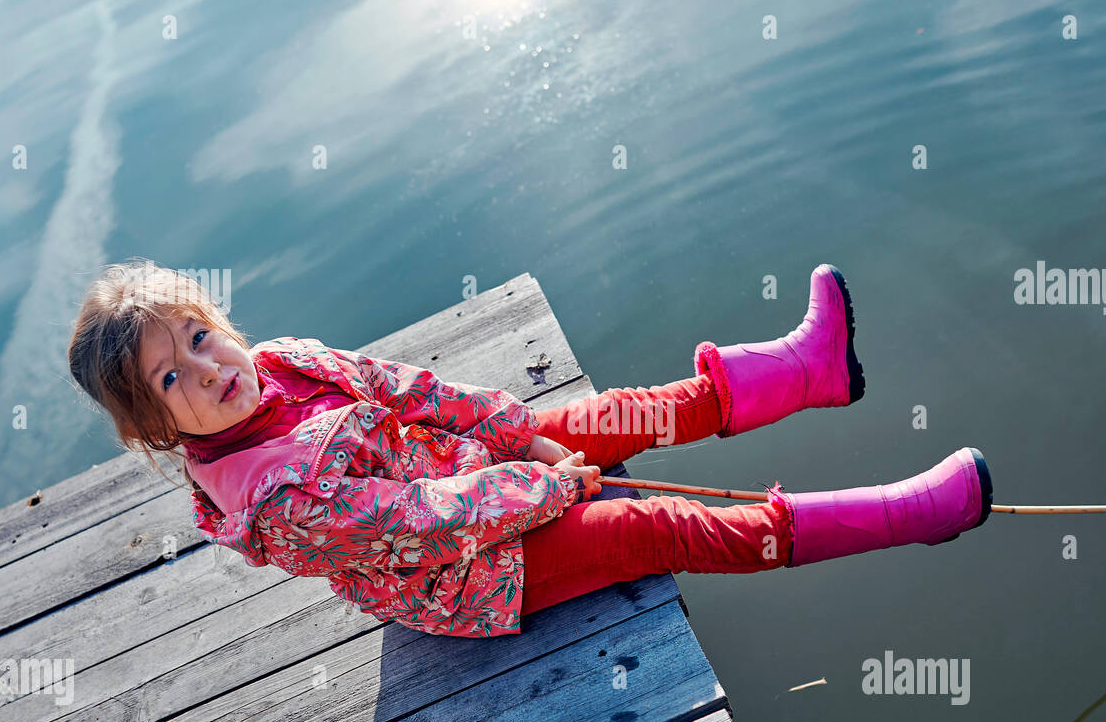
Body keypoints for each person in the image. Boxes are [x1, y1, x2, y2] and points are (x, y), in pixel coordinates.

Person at [66, 259, 990, 639]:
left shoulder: (278, 361)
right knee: (653, 526)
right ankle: (908, 516)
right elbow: (427, 525)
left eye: (196, 336)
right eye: (168, 380)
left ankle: (810, 369)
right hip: (465, 572)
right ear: (155, 426)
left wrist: (522, 433)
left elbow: (417, 389)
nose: (206, 368)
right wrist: (548, 487)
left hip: (479, 474)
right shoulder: (277, 503)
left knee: (619, 417)